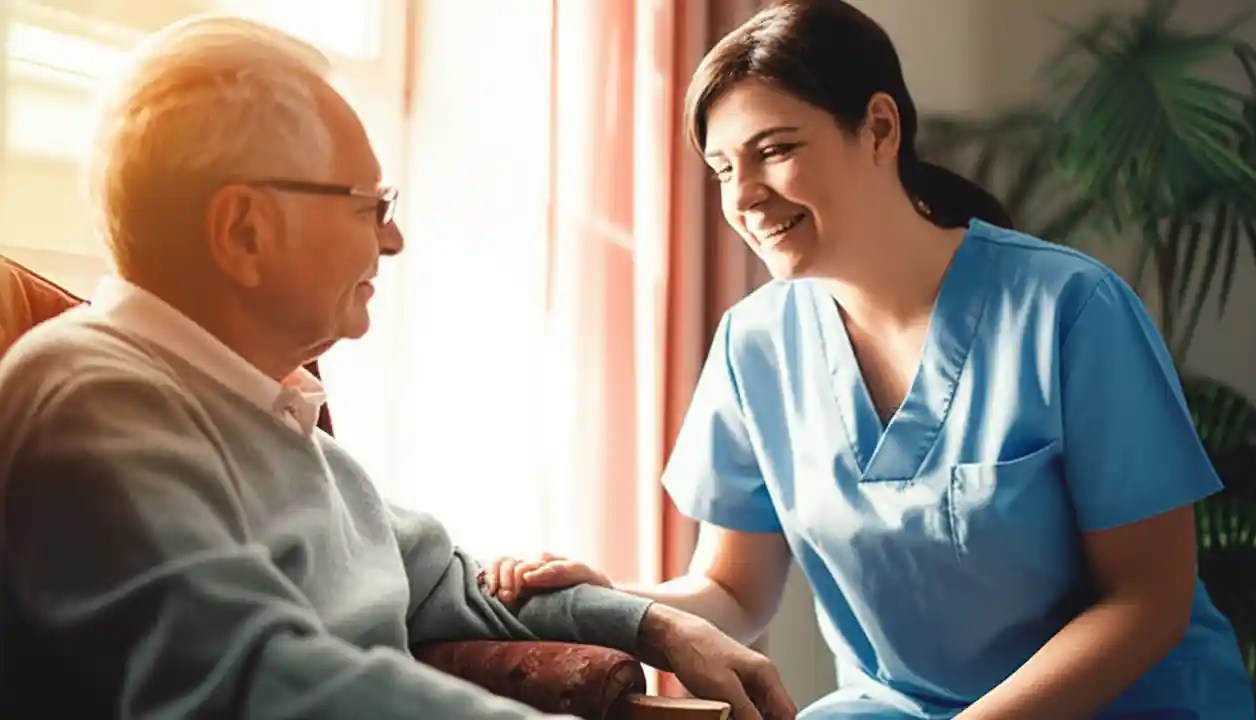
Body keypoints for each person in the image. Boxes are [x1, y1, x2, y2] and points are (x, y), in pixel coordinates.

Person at [0, 16, 797, 720]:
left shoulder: (273, 412)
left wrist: (660, 625)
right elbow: (250, 678)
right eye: (368, 206)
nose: (393, 241)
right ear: (244, 231)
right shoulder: (89, 396)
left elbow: (459, 587)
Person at [483, 1, 1256, 717]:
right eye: (723, 169)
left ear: (881, 130)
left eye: (775, 151)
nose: (744, 196)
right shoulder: (755, 344)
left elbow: (1147, 601)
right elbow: (732, 590)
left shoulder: (1070, 309)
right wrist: (612, 605)